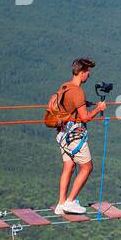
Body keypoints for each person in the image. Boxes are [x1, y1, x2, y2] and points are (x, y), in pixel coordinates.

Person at [48, 58, 107, 215]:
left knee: (69, 166)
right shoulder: (78, 92)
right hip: (74, 136)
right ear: (81, 73)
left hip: (62, 134)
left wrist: (87, 103)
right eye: (87, 72)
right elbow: (85, 117)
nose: (88, 75)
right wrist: (98, 108)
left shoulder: (65, 86)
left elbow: (71, 104)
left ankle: (61, 204)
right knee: (87, 167)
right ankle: (71, 201)